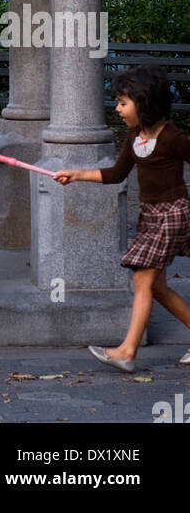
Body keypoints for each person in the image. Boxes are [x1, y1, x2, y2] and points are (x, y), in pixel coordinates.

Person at [56, 66, 190, 372]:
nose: (117, 109)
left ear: (143, 103)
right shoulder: (134, 136)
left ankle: (127, 352)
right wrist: (76, 174)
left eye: (122, 102)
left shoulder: (173, 137)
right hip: (150, 215)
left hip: (173, 214)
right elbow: (116, 174)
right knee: (156, 287)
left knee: (142, 279)